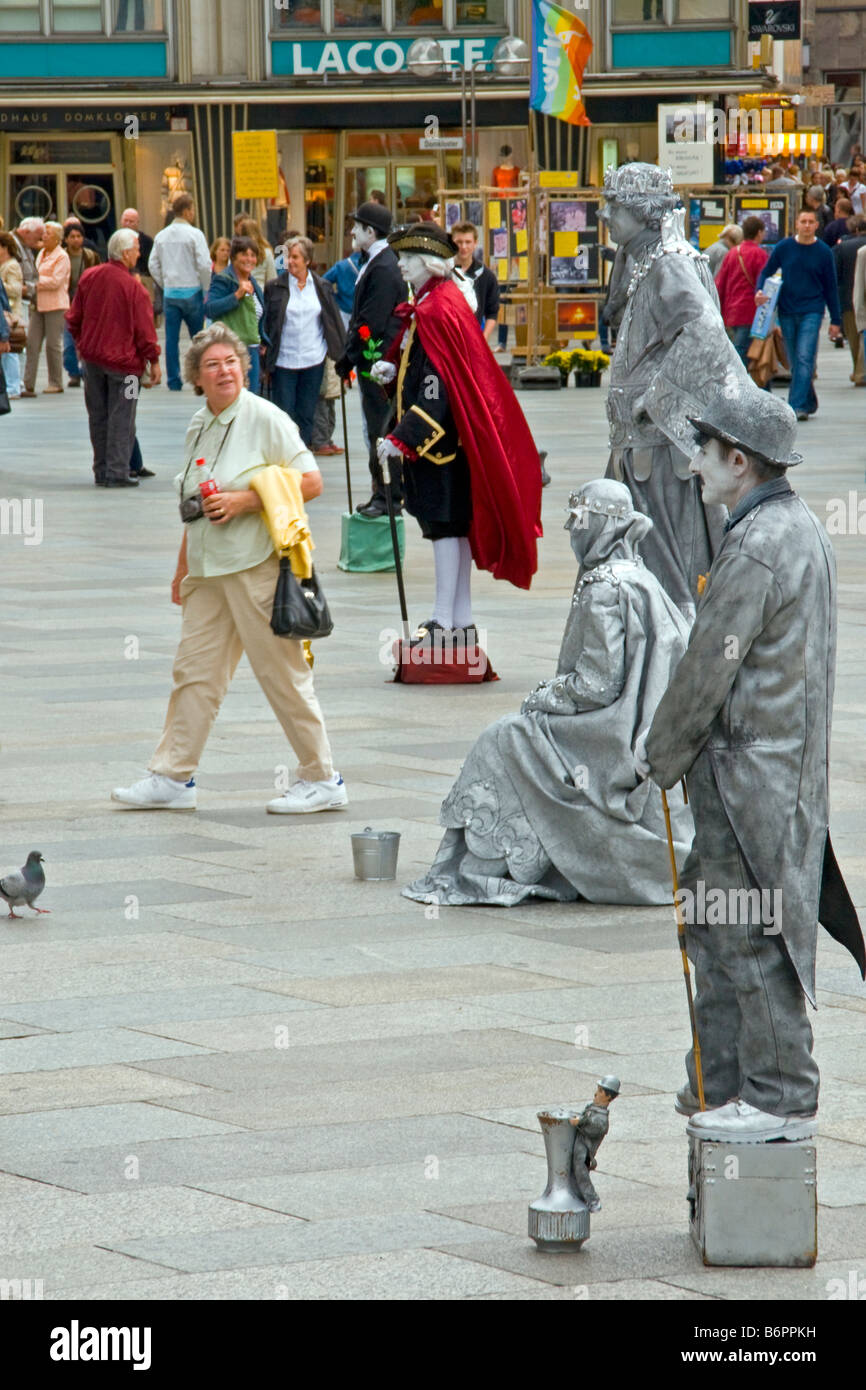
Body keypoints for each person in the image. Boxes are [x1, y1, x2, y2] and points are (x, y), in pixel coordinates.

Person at [637, 384, 864, 1141]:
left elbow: (707, 667)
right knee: (718, 924)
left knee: (747, 932)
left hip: (748, 780)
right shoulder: (790, 528)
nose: (694, 468)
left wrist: (657, 757)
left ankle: (780, 1098)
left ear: (739, 461)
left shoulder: (761, 545)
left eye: (704, 455)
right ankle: (724, 1080)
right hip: (769, 773)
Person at [402, 478, 693, 905]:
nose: (573, 532)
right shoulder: (642, 577)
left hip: (607, 732)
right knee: (514, 734)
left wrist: (542, 696)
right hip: (634, 725)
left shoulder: (602, 589)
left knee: (503, 737)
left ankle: (489, 865)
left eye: (579, 521)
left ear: (600, 527)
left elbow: (595, 685)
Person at [111, 322, 347, 816]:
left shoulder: (265, 417)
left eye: (232, 362)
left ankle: (323, 777)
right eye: (213, 365)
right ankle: (174, 776)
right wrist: (181, 570)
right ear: (197, 376)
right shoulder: (199, 423)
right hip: (207, 571)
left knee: (282, 674)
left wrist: (245, 501)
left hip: (255, 566)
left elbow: (311, 481)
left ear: (245, 367)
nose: (225, 371)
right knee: (194, 675)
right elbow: (193, 503)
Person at [372, 222, 542, 643]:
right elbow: (431, 369)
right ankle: (459, 618)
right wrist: (395, 369)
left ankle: (443, 620)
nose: (402, 266)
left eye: (409, 259)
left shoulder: (435, 308)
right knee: (451, 527)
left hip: (438, 447)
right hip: (451, 443)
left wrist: (402, 438)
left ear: (429, 263)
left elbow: (438, 387)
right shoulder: (436, 300)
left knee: (444, 527)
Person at [600, 163, 744, 619]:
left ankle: (672, 643)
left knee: (664, 558)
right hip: (641, 445)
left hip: (660, 450)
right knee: (644, 550)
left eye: (614, 205)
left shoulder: (669, 261)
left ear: (643, 213)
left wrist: (654, 396)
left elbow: (704, 331)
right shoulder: (643, 257)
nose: (604, 213)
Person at [65, 227, 161, 487]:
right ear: (126, 253)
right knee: (124, 415)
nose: (139, 253)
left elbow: (73, 319)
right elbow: (145, 331)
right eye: (137, 249)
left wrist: (81, 344)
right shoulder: (134, 289)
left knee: (98, 415)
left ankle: (101, 469)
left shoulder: (89, 277)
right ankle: (117, 471)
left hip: (93, 362)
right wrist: (154, 361)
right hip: (127, 368)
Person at [334, 201, 406, 518]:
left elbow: (370, 323)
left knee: (380, 428)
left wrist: (350, 355)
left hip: (378, 363)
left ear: (370, 231)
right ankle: (381, 490)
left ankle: (389, 494)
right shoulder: (376, 261)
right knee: (375, 427)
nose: (352, 231)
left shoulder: (384, 266)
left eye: (357, 226)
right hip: (373, 359)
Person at [755, 208, 843, 420]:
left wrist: (836, 320)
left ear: (816, 225)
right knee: (795, 361)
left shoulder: (823, 252)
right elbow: (766, 271)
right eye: (803, 221)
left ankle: (795, 407)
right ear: (796, 224)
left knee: (805, 357)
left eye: (810, 221)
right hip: (787, 310)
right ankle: (808, 400)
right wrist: (759, 290)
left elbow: (831, 287)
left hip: (812, 311)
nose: (806, 225)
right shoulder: (784, 247)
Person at [263, 235, 345, 449]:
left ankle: (303, 455)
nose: (290, 261)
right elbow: (267, 321)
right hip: (284, 360)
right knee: (284, 412)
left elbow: (332, 320)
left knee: (307, 412)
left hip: (313, 358)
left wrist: (342, 355)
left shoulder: (322, 286)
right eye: (289, 256)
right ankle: (285, 456)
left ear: (307, 260)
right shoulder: (275, 287)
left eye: (296, 257)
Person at [148, 194, 212, 391]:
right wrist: (206, 287)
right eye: (192, 210)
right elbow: (204, 264)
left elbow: (153, 264)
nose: (193, 214)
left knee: (171, 339)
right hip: (192, 290)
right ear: (186, 211)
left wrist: (165, 282)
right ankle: (200, 376)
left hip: (171, 293)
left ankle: (174, 379)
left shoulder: (161, 235)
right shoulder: (195, 234)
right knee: (199, 338)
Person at [204, 235, 265, 396]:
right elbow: (210, 308)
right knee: (234, 400)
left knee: (251, 400)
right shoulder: (224, 279)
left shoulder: (253, 282)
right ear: (234, 257)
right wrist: (236, 295)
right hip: (231, 351)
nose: (249, 259)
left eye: (253, 255)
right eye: (244, 254)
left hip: (252, 350)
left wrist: (263, 339)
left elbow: (257, 316)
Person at [21, 221, 70, 397]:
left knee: (52, 344)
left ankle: (55, 382)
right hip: (38, 304)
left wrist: (34, 285)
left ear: (57, 238)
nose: (44, 235)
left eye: (48, 233)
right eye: (45, 232)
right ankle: (28, 383)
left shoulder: (62, 256)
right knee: (32, 343)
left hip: (55, 305)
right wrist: (35, 285)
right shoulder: (41, 253)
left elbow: (56, 281)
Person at [714, 214, 768, 366]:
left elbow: (719, 284)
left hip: (731, 312)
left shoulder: (731, 253)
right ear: (759, 233)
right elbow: (764, 285)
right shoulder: (760, 254)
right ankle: (741, 385)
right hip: (751, 312)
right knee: (745, 353)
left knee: (739, 349)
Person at [570, 1078, 619, 1213]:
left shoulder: (601, 1118)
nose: (595, 1094)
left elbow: (594, 1129)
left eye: (600, 1091)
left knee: (581, 1174)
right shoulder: (592, 1109)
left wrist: (580, 1122)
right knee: (575, 1174)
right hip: (578, 1147)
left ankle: (593, 1200)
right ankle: (578, 1196)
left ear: (608, 1097)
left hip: (585, 1152)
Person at [61, 219, 100, 388]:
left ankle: (86, 372)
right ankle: (73, 373)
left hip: (88, 305)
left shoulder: (90, 256)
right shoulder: (62, 256)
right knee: (69, 343)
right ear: (66, 239)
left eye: (79, 236)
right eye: (72, 236)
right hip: (68, 304)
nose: (76, 239)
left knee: (88, 342)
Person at [451, 221, 499, 344]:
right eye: (459, 242)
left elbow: (492, 312)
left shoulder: (486, 276)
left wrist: (484, 337)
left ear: (475, 244)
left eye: (468, 242)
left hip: (473, 339)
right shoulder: (444, 272)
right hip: (448, 339)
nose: (463, 247)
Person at [834, 214, 866, 385]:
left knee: (854, 338)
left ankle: (858, 370)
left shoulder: (843, 247)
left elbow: (835, 276)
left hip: (848, 299)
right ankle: (861, 371)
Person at [0, 232, 24, 398]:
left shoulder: (11, 265)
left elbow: (15, 289)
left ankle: (14, 385)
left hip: (9, 312)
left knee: (11, 351)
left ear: (5, 248)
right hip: (5, 311)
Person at [322, 246, 362, 329]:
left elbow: (322, 283)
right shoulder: (370, 265)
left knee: (343, 340)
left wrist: (334, 297)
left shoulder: (341, 266)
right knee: (367, 340)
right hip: (362, 316)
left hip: (343, 314)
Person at [235, 217, 277, 290]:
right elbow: (272, 278)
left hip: (241, 291)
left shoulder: (237, 252)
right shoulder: (266, 252)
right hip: (261, 293)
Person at [119, 207, 152, 275]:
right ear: (121, 221)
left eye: (131, 221)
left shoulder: (147, 241)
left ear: (137, 223)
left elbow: (150, 265)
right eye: (125, 220)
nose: (127, 224)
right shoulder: (116, 240)